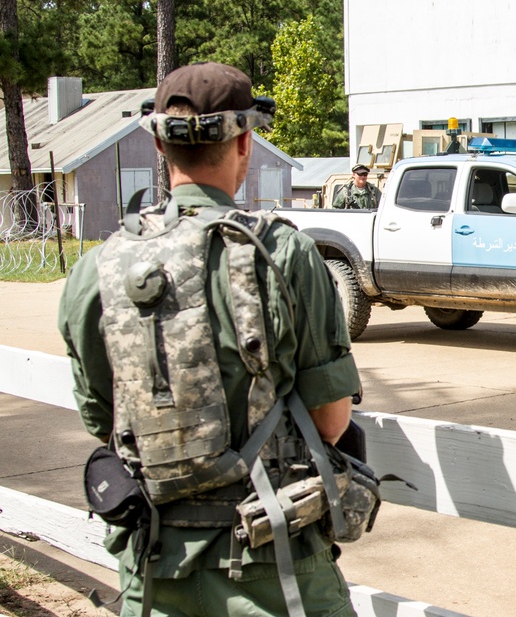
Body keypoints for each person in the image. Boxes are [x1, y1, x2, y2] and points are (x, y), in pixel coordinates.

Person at [58, 62, 361, 617]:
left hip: (152, 569)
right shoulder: (284, 255)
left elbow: (106, 418)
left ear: (159, 143)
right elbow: (331, 421)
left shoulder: (99, 269)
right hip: (272, 569)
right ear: (245, 141)